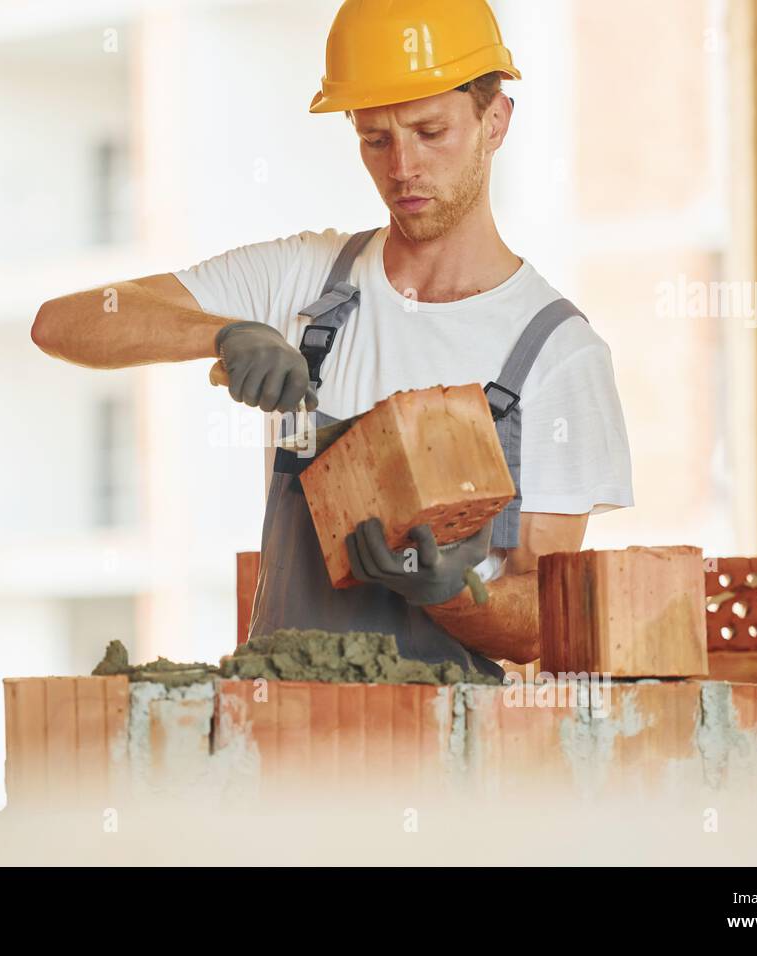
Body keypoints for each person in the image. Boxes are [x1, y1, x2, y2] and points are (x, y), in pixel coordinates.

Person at [32, 0, 634, 680]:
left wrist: (451, 595)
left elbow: (540, 622)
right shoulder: (304, 278)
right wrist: (225, 333)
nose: (402, 166)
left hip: (450, 757)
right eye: (375, 138)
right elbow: (64, 322)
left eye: (430, 131)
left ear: (495, 121)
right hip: (285, 735)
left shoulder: (556, 354)